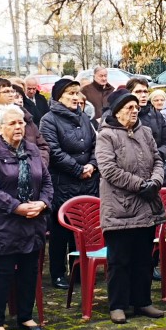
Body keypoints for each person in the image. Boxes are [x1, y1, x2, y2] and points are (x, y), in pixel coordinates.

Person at [0, 104, 52, 330]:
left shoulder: (32, 149)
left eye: (21, 122)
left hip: (33, 222)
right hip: (4, 223)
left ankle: (25, 315)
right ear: (0, 127)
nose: (18, 127)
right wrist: (17, 207)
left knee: (30, 270)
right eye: (12, 123)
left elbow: (47, 183)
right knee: (4, 272)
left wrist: (41, 204)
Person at [95, 89, 166, 323]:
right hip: (120, 207)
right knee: (119, 260)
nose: (135, 111)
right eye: (129, 108)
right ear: (117, 111)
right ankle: (118, 305)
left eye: (136, 108)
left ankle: (142, 301)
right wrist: (140, 184)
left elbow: (157, 159)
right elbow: (108, 170)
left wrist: (155, 181)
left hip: (146, 205)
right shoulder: (106, 135)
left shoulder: (145, 132)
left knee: (144, 258)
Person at [39, 77, 99, 290]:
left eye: (77, 93)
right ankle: (58, 273)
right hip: (63, 182)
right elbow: (53, 151)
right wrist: (77, 169)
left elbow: (94, 144)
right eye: (70, 94)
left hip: (88, 181)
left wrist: (91, 165)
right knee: (60, 230)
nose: (76, 97)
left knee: (81, 227)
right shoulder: (49, 120)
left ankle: (79, 268)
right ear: (59, 97)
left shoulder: (83, 117)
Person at [0, 78, 50, 161]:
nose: (11, 94)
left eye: (12, 91)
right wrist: (21, 168)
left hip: (34, 168)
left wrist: (39, 166)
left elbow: (42, 146)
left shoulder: (23, 114)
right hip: (7, 170)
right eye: (6, 92)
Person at [126, 77, 166, 181]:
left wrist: (156, 156)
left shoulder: (157, 115)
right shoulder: (122, 116)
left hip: (156, 168)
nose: (143, 95)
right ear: (129, 93)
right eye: (138, 92)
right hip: (131, 172)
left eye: (145, 91)